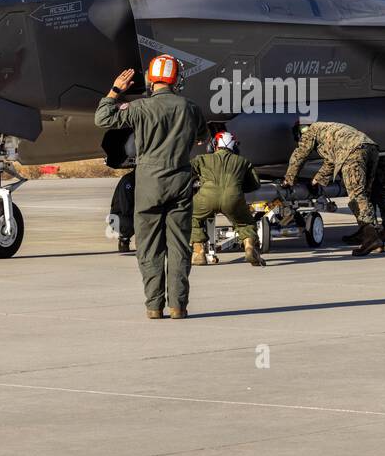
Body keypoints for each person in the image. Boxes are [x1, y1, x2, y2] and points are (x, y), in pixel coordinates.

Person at [95, 56, 207, 319]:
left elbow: (103, 118)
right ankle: (178, 305)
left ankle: (153, 306)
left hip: (148, 183)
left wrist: (115, 91)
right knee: (179, 246)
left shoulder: (140, 107)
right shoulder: (190, 108)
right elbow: (202, 138)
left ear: (150, 79)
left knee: (148, 247)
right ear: (176, 79)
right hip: (180, 180)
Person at [283, 120, 382, 256]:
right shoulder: (328, 130)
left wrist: (289, 179)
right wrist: (317, 180)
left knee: (357, 196)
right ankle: (366, 233)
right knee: (365, 194)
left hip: (352, 151)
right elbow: (331, 161)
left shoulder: (310, 131)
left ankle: (371, 238)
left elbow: (300, 155)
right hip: (370, 148)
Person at [191, 131, 264, 267]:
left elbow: (185, 172)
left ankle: (199, 252)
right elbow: (255, 184)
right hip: (233, 199)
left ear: (214, 146)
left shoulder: (202, 159)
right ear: (234, 146)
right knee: (246, 223)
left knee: (192, 217)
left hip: (205, 199)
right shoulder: (243, 162)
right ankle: (248, 246)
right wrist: (238, 188)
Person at [109, 169, 136, 252]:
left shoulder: (137, 179)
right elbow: (126, 208)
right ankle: (124, 240)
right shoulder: (129, 181)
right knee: (140, 220)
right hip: (119, 217)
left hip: (128, 213)